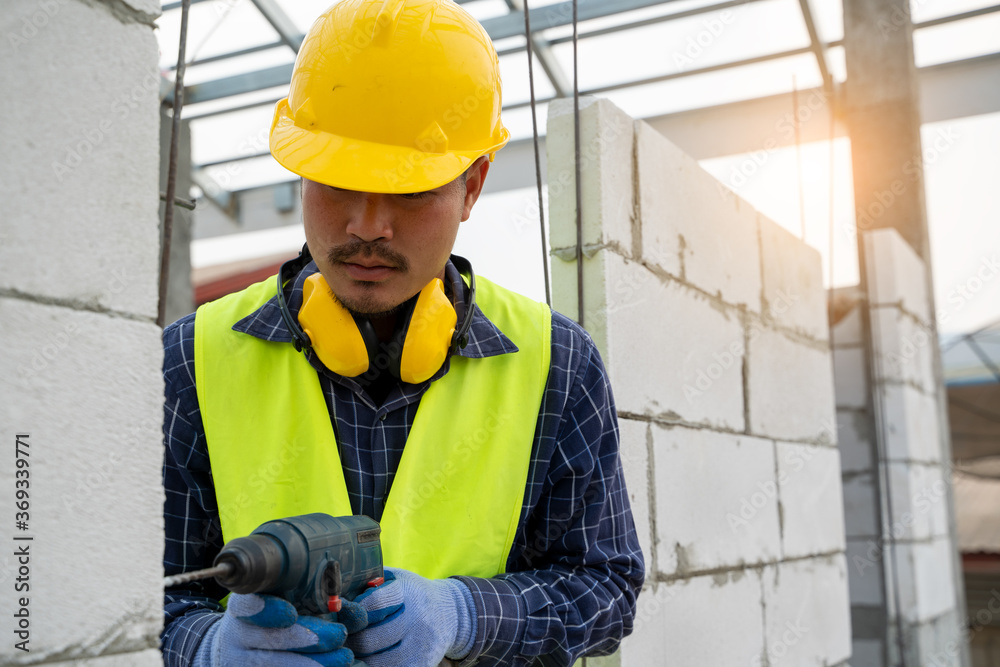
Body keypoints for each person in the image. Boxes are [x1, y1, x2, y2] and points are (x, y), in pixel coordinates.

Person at [161, 1, 644, 665]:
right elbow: (143, 599)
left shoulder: (558, 365)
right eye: (336, 181)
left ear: (472, 186)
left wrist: (466, 615)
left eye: (410, 190)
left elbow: (607, 587)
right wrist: (210, 648)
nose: (367, 225)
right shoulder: (191, 360)